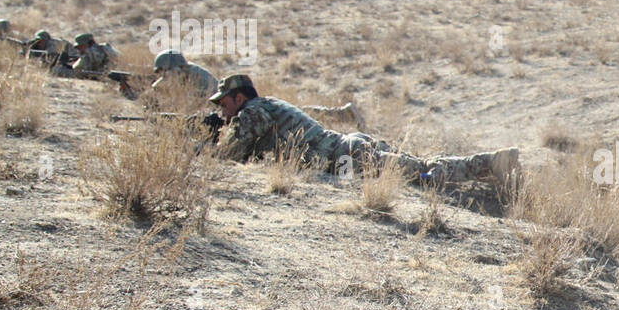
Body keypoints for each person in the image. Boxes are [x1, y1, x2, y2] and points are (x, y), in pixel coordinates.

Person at [207, 74, 520, 195]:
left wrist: (209, 141)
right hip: (351, 149)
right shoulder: (268, 105)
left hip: (347, 159)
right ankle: (495, 170)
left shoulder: (252, 111)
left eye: (224, 104)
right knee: (422, 169)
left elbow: (230, 155)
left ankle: (493, 162)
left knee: (426, 174)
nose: (223, 112)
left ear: (239, 98)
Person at [151, 49, 218, 99]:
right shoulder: (188, 68)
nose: (161, 73)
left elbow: (161, 85)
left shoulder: (181, 71)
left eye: (161, 70)